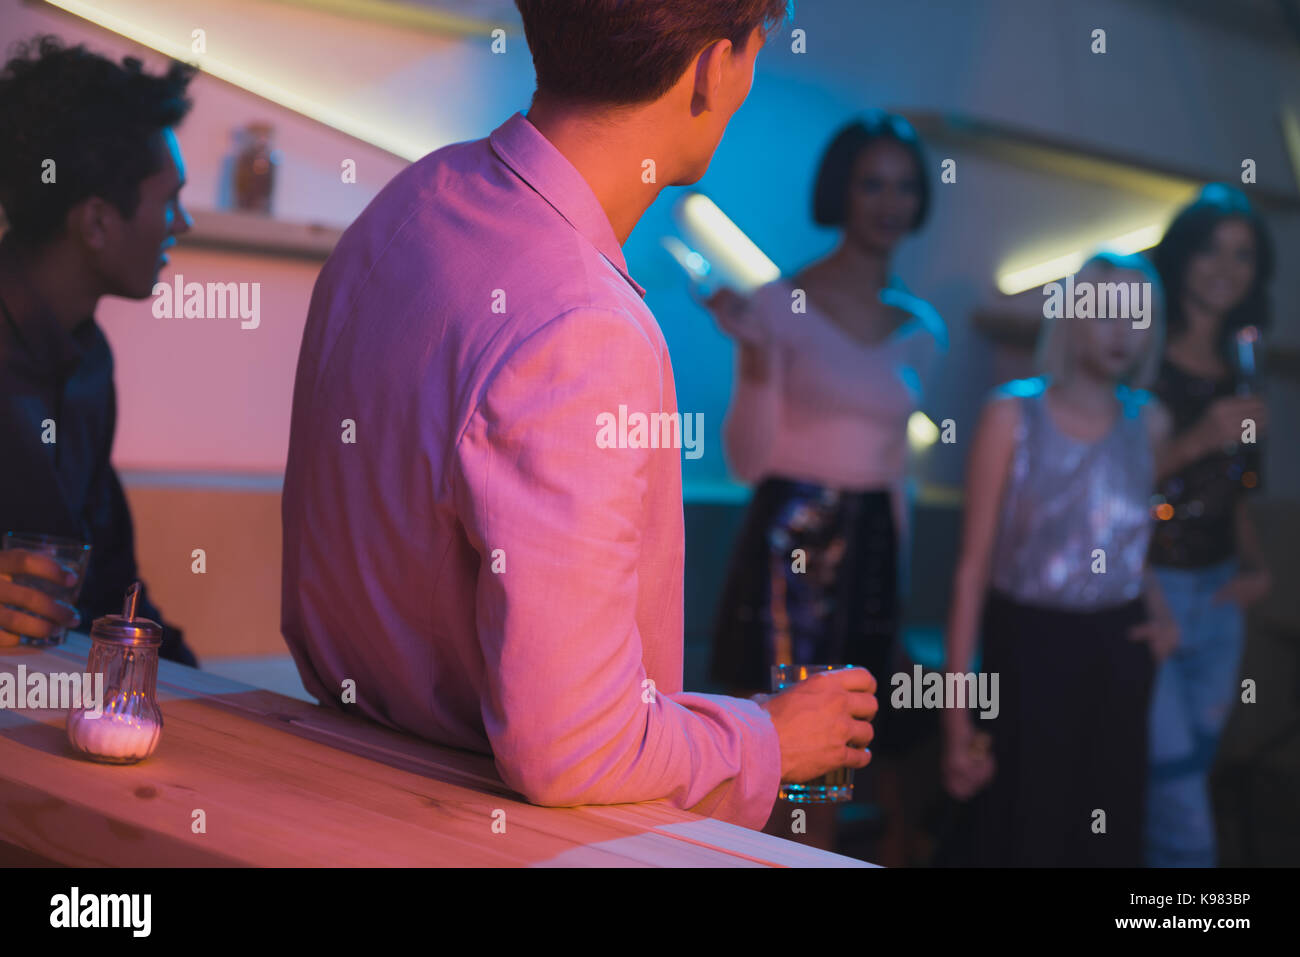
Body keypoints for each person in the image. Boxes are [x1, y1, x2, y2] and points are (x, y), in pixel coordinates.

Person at [280, 0, 877, 831]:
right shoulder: (583, 328)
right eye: (754, 48)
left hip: (327, 781)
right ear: (712, 68)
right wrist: (768, 738)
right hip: (475, 830)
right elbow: (575, 746)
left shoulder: (408, 202)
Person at [704, 113, 945, 855]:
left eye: (904, 186)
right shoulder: (782, 300)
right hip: (791, 535)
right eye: (871, 182)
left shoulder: (922, 327)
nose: (889, 201)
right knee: (779, 744)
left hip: (875, 540)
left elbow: (895, 470)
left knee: (842, 751)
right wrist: (750, 356)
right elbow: (747, 461)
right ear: (840, 190)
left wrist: (897, 577)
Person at [941, 252, 1179, 867]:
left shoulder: (1150, 423)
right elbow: (970, 572)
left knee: (1107, 834)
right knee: (1022, 831)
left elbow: (1130, 543)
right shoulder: (1011, 414)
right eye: (1107, 312)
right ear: (1074, 315)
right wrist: (955, 718)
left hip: (1118, 653)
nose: (1124, 330)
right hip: (1027, 650)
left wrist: (1160, 615)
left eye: (1139, 315)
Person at [0, 36, 198, 666]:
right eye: (168, 199)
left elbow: (115, 591)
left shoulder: (91, 363)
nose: (182, 223)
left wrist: (221, 695)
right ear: (95, 223)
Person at [1145, 185, 1274, 868]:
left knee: (1188, 764)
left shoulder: (1244, 370)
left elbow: (1240, 492)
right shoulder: (1142, 355)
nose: (1226, 267)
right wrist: (1199, 437)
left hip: (1221, 592)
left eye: (1243, 255)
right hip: (1152, 588)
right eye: (1211, 249)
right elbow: (1109, 489)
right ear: (1184, 256)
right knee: (1177, 791)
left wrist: (1257, 570)